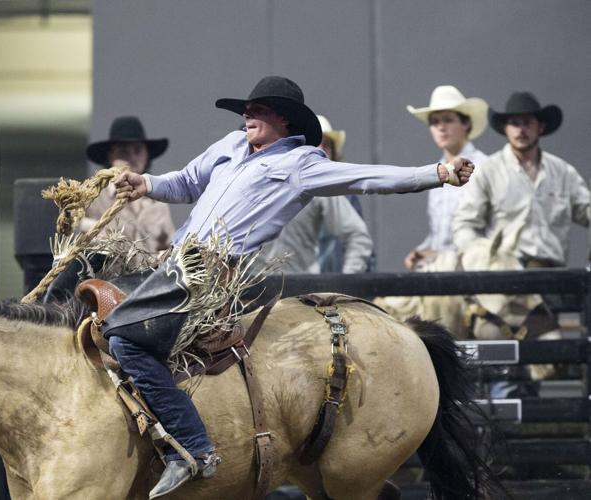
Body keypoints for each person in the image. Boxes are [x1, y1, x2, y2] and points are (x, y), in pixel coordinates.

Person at [106, 76, 475, 498]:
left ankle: (192, 446)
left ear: (284, 118)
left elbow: (369, 178)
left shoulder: (301, 163)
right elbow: (188, 182)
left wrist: (439, 172)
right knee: (101, 308)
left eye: (257, 109)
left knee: (126, 339)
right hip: (173, 263)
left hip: (210, 276)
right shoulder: (229, 146)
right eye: (246, 110)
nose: (246, 115)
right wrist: (148, 184)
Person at [452, 91, 590, 267]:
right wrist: (481, 257)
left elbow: (586, 211)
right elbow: (464, 224)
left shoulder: (563, 173)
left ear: (540, 127)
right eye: (514, 123)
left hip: (555, 276)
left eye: (527, 123)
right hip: (506, 275)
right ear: (505, 128)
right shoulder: (489, 171)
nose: (521, 130)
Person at [262, 115, 373, 273]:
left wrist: (345, 287)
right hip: (253, 292)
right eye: (312, 144)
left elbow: (357, 237)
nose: (318, 151)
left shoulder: (340, 195)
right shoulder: (260, 180)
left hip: (303, 290)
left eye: (326, 145)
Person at [404, 85, 490, 270]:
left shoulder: (486, 168)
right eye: (435, 122)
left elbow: (490, 230)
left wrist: (442, 255)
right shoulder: (437, 172)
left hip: (475, 269)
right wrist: (422, 251)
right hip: (440, 269)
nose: (441, 127)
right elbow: (439, 233)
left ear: (466, 123)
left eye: (448, 120)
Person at [82, 115, 175, 253]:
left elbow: (169, 245)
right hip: (105, 274)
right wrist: (92, 228)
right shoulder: (92, 196)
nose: (131, 157)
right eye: (123, 151)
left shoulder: (158, 202)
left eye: (137, 150)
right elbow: (71, 230)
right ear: (110, 155)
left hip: (150, 274)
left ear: (146, 156)